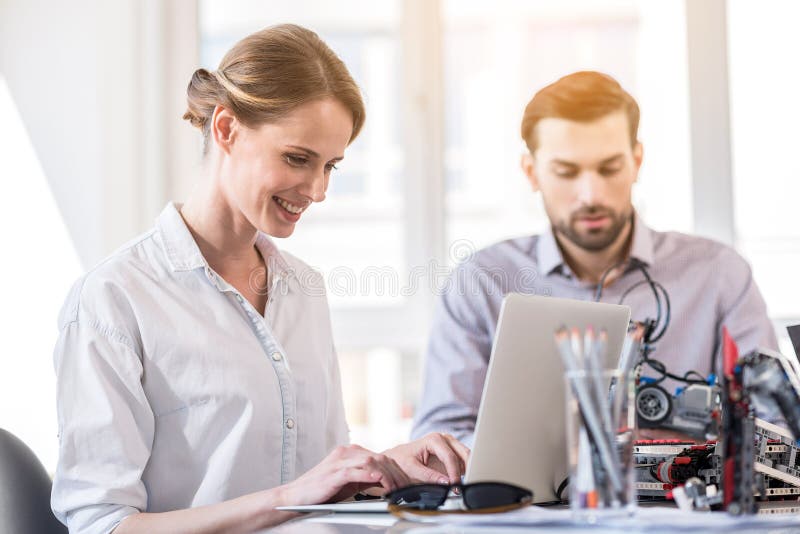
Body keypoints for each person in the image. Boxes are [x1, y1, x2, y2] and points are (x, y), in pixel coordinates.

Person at [51, 24, 468, 534]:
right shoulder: (115, 301)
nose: (317, 190)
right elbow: (103, 525)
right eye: (297, 158)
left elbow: (318, 484)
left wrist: (384, 467)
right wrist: (287, 499)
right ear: (226, 129)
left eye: (331, 166)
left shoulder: (304, 289)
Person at [411, 71, 777, 445]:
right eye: (566, 172)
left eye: (609, 168)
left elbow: (772, 424)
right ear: (531, 171)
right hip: (528, 504)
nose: (590, 194)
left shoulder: (719, 275)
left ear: (636, 161)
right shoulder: (482, 282)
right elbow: (439, 439)